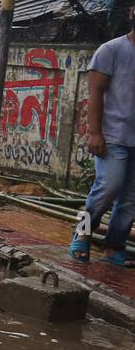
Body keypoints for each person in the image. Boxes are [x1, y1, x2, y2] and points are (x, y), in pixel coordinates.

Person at [71, 21, 135, 267]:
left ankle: (114, 249)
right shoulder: (111, 50)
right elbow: (95, 93)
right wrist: (94, 132)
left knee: (130, 199)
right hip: (113, 136)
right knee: (108, 187)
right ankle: (82, 231)